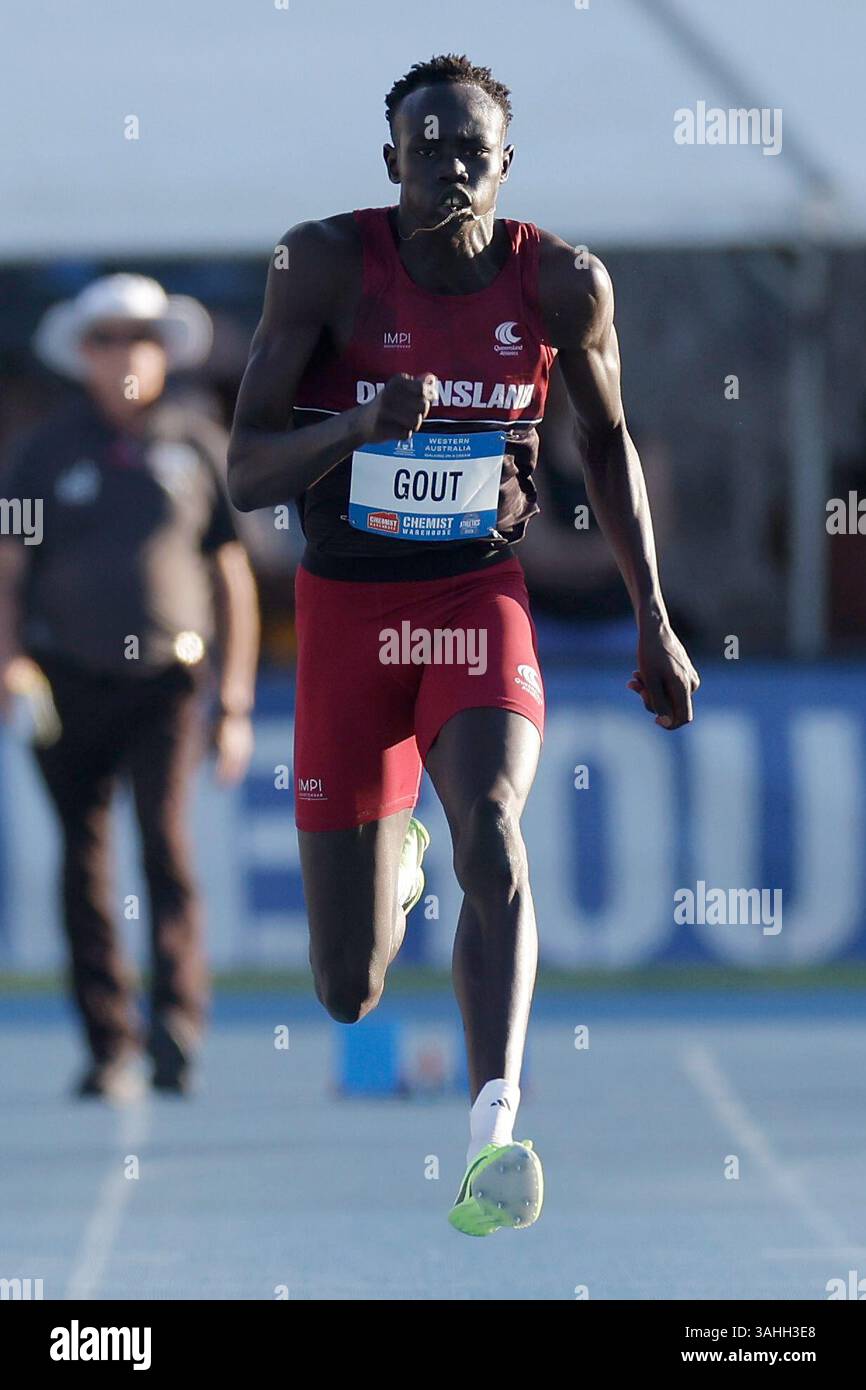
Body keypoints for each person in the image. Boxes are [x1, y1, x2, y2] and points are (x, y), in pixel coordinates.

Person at [227, 54, 699, 1236]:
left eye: (468, 150)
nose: (447, 166)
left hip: (473, 595)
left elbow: (609, 443)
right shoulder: (323, 265)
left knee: (490, 823)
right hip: (345, 614)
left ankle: (494, 1128)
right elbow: (242, 474)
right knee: (347, 989)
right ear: (388, 158)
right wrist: (354, 427)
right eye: (424, 146)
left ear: (505, 166)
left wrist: (653, 616)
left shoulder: (562, 285)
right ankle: (395, 866)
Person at [0, 273, 260, 1100]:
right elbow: (8, 568)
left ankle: (178, 1024)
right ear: (83, 352)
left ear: (162, 351)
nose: (124, 355)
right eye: (106, 338)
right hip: (67, 678)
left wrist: (237, 701)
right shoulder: (43, 453)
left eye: (139, 338)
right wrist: (10, 660)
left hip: (169, 682)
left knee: (165, 842)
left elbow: (232, 577)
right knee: (81, 859)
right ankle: (110, 1041)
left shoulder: (194, 444)